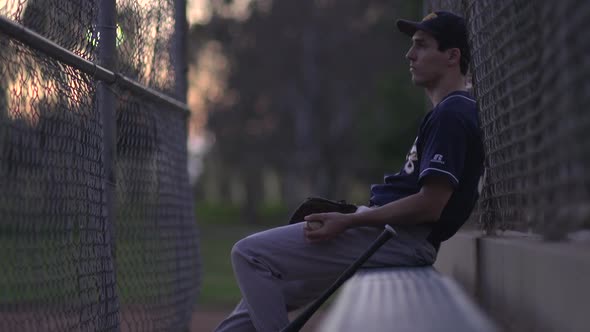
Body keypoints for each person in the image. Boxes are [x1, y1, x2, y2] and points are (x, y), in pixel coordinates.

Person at [214, 11, 484, 332]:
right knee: (267, 294)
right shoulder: (450, 110)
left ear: (452, 56)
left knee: (248, 254)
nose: (410, 54)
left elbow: (431, 204)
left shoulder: (452, 113)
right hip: (387, 234)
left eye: (422, 46)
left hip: (395, 238)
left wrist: (350, 221)